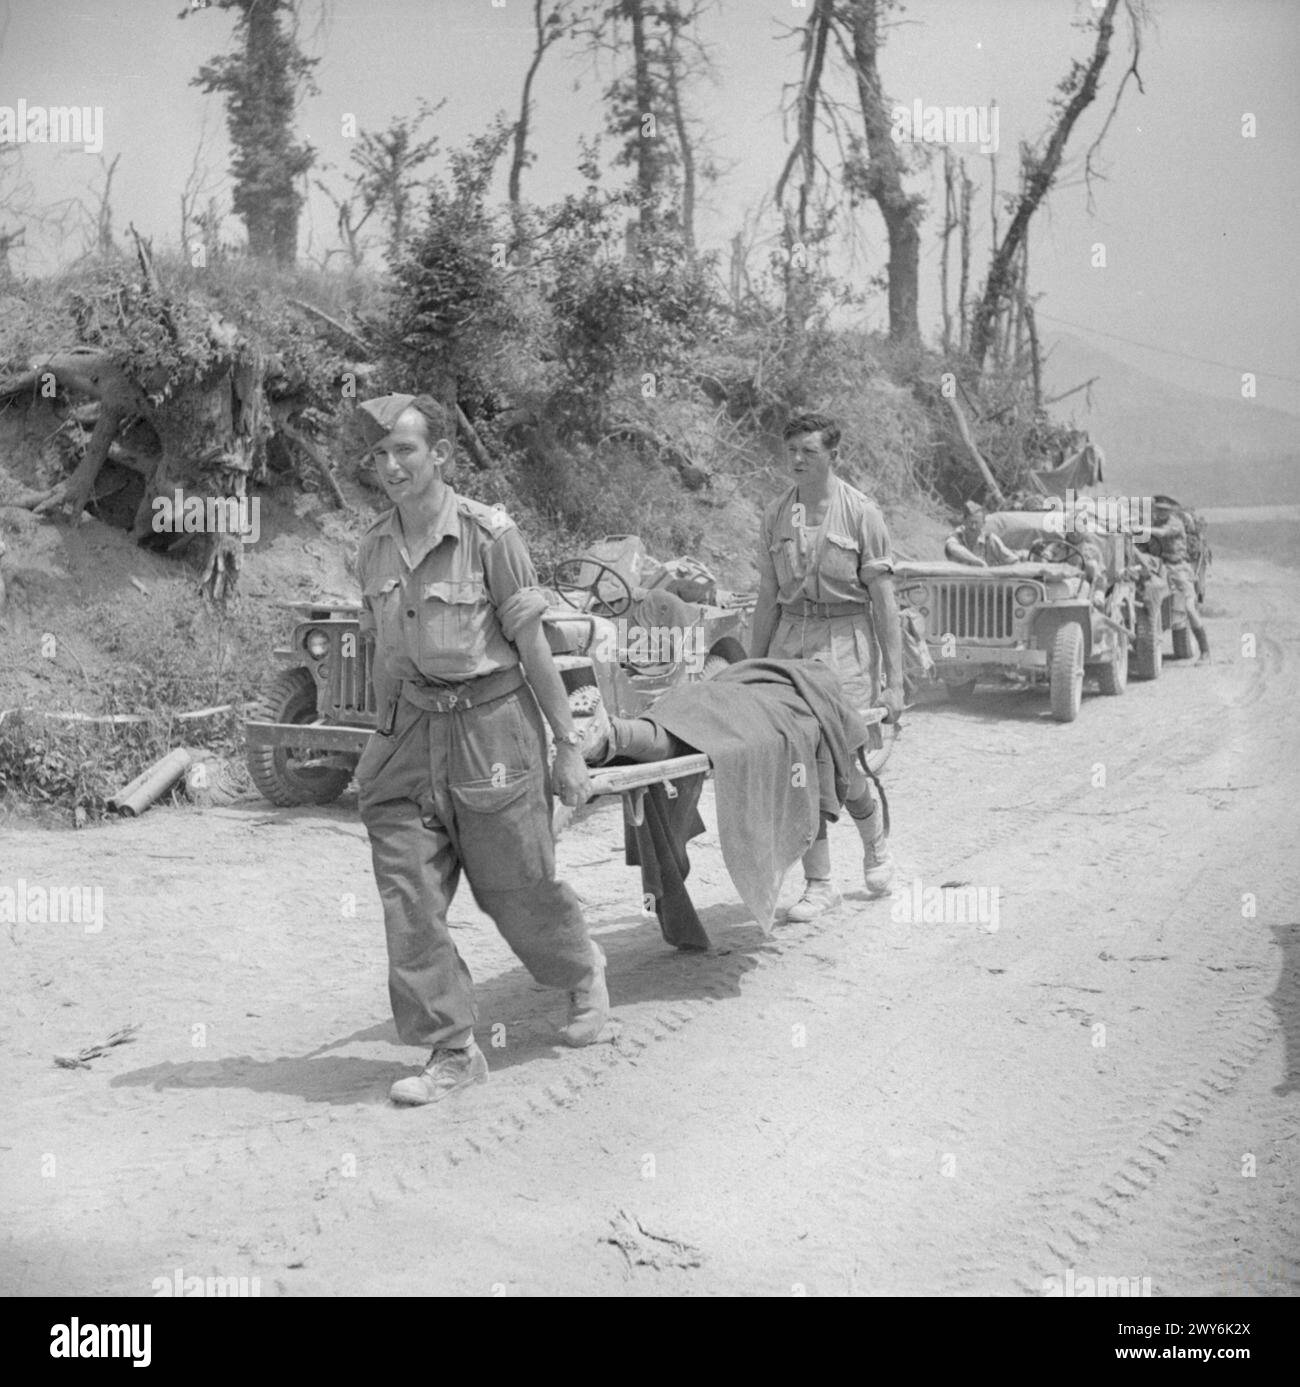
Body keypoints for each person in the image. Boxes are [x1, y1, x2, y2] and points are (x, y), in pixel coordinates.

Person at [353, 393, 608, 1108]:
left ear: (439, 454)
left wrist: (567, 747)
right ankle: (453, 1048)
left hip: (491, 726)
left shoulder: (491, 537)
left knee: (517, 888)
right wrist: (379, 739)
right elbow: (383, 652)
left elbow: (534, 647)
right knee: (409, 899)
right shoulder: (372, 546)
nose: (392, 465)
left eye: (405, 449)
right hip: (407, 733)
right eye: (380, 454)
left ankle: (579, 968)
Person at [749, 412, 904, 920]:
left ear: (832, 456)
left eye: (807, 451)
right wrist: (753, 669)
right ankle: (820, 882)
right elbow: (769, 596)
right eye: (790, 449)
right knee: (799, 761)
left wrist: (894, 682)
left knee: (844, 764)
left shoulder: (861, 514)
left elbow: (884, 602)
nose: (796, 460)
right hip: (791, 644)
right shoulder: (776, 514)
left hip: (845, 647)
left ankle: (874, 836)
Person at [1144, 498, 1210, 663]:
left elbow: (1162, 533)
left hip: (1179, 568)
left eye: (1164, 510)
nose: (1161, 513)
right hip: (1160, 567)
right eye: (1158, 510)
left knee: (1189, 608)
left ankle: (1205, 651)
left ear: (1170, 511)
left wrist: (1141, 529)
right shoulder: (1153, 522)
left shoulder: (1175, 523)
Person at [945, 501, 1022, 567]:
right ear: (964, 521)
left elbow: (1013, 561)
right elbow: (953, 547)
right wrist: (978, 561)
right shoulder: (957, 535)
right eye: (971, 522)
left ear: (983, 524)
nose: (973, 527)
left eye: (977, 523)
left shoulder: (990, 539)